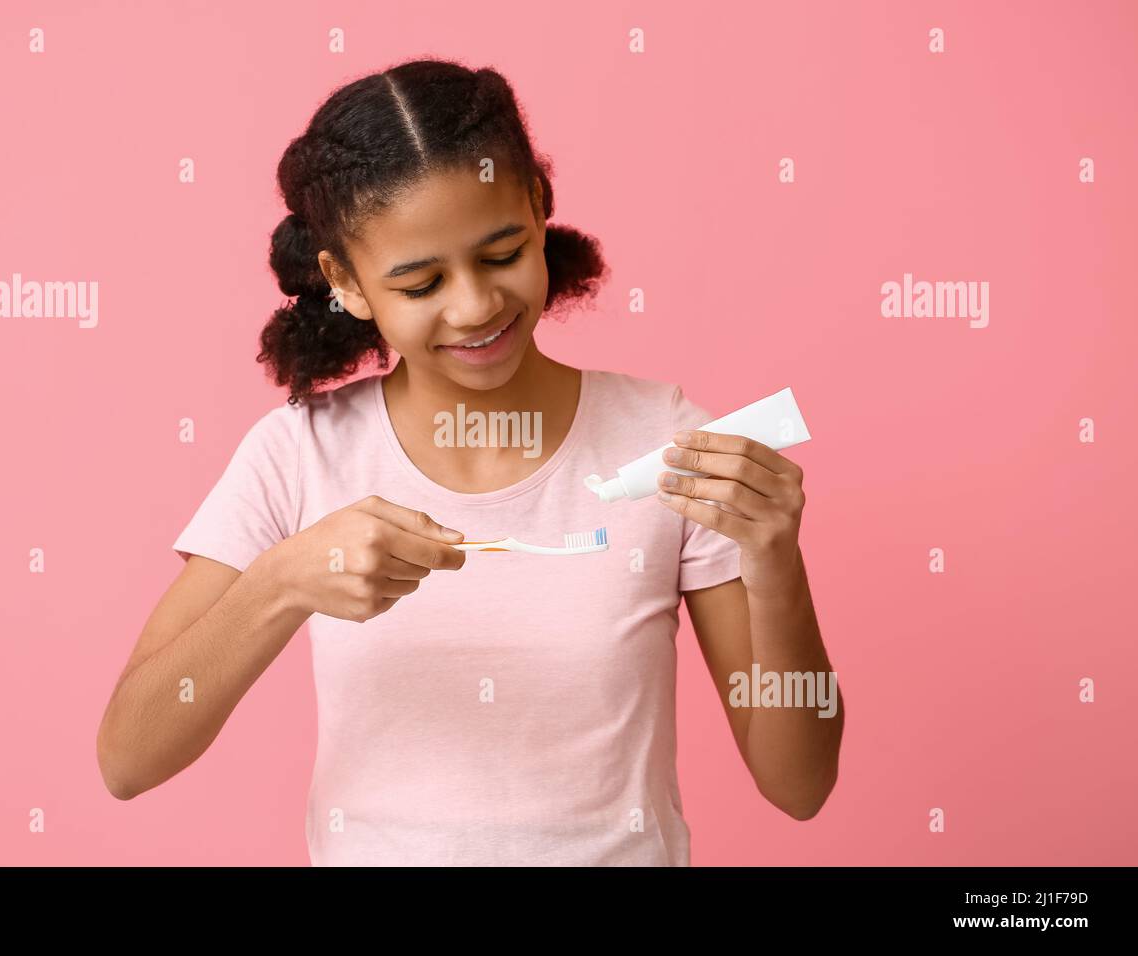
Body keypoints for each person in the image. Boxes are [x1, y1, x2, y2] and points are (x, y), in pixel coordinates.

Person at [96, 57, 842, 866]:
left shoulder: (663, 440)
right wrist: (281, 583)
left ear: (539, 206)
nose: (476, 306)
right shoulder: (299, 456)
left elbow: (797, 784)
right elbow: (128, 759)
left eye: (501, 253)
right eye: (419, 284)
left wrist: (774, 563)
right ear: (346, 282)